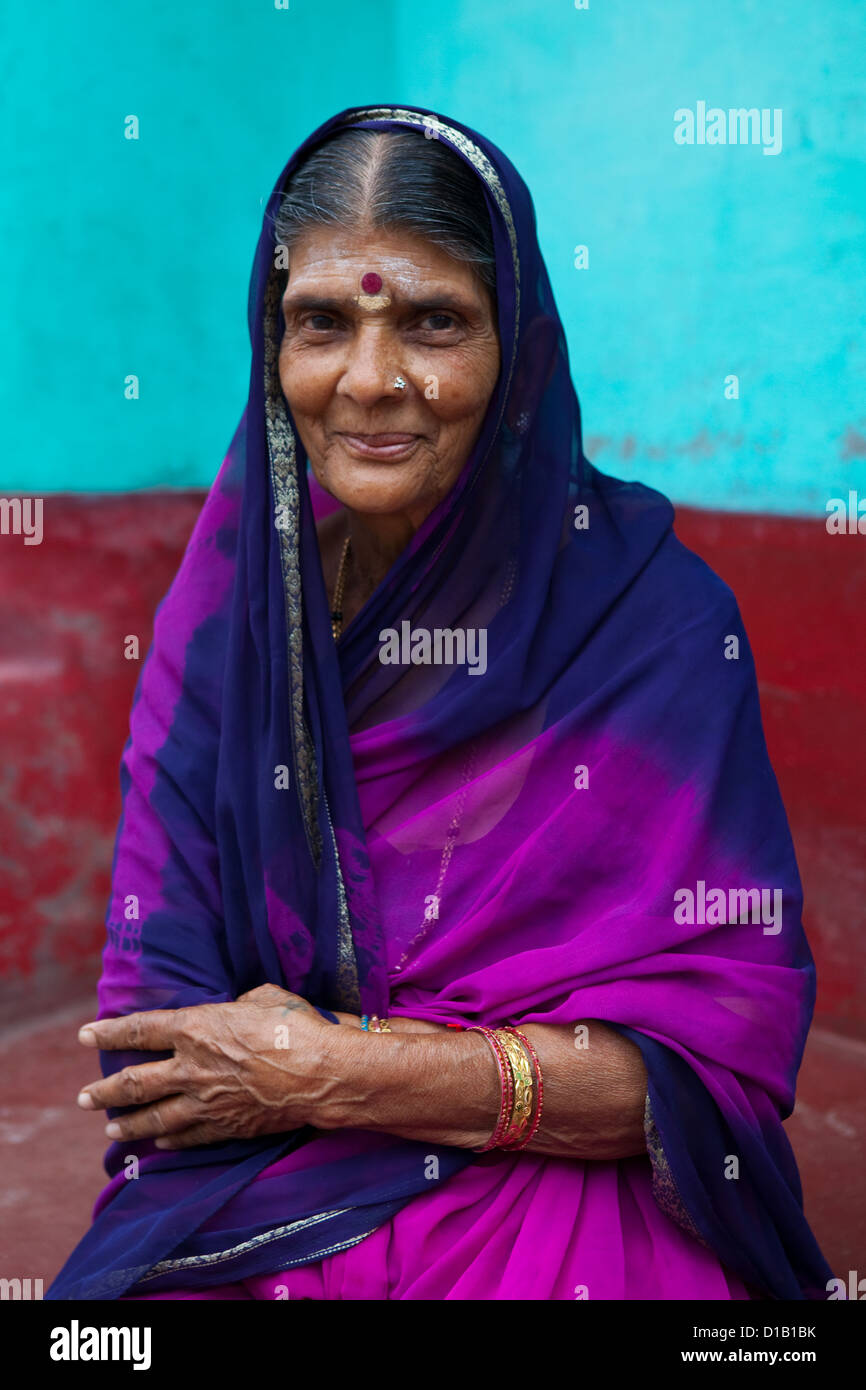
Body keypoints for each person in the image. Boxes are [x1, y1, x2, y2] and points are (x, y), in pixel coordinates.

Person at [47, 104, 831, 1301]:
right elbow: (157, 1036)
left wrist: (335, 1070)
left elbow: (701, 1066)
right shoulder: (229, 622)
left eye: (432, 321)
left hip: (564, 1169)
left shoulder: (653, 621)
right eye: (321, 322)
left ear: (514, 347)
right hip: (272, 1168)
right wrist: (296, 1086)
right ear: (271, 346)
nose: (369, 382)